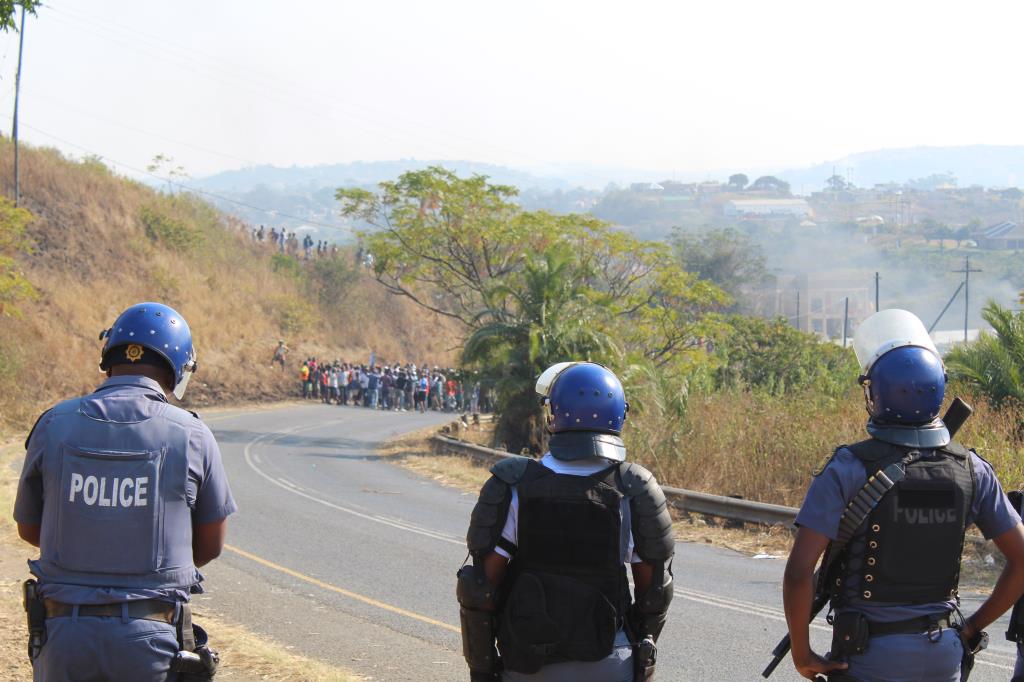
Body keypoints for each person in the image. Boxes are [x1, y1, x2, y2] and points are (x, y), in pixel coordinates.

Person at [782, 309, 1024, 681]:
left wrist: (802, 653)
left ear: (876, 395)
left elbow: (800, 573)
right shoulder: (973, 469)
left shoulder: (847, 468)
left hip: (867, 657)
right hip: (944, 654)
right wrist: (972, 627)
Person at [13, 302, 237, 681]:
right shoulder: (192, 434)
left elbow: (29, 528)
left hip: (63, 635)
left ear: (109, 356)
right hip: (151, 639)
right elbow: (209, 546)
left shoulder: (55, 423)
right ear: (179, 367)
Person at [457, 361, 674, 682]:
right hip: (608, 658)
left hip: (528, 660)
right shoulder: (634, 487)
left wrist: (482, 670)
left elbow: (480, 589)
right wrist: (639, 650)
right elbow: (653, 593)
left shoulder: (515, 483)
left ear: (553, 414)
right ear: (620, 416)